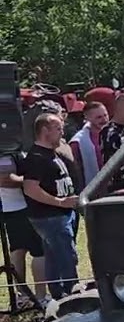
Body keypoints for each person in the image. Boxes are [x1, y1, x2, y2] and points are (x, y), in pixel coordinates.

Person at [21, 112, 79, 300]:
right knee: (66, 258)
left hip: (61, 214)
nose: (62, 133)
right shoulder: (36, 157)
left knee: (54, 258)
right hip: (49, 216)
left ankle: (59, 296)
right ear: (44, 130)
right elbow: (30, 188)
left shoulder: (52, 153)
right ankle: (73, 296)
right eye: (58, 129)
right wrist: (60, 202)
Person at [0, 157, 47, 311]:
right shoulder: (7, 155)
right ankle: (38, 296)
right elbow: (7, 180)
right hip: (19, 208)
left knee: (18, 250)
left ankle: (25, 295)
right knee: (37, 252)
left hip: (13, 208)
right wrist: (29, 180)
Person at [67, 100, 107, 189]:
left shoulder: (113, 134)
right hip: (92, 190)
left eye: (105, 115)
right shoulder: (77, 143)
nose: (104, 120)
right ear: (88, 118)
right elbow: (76, 173)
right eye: (99, 117)